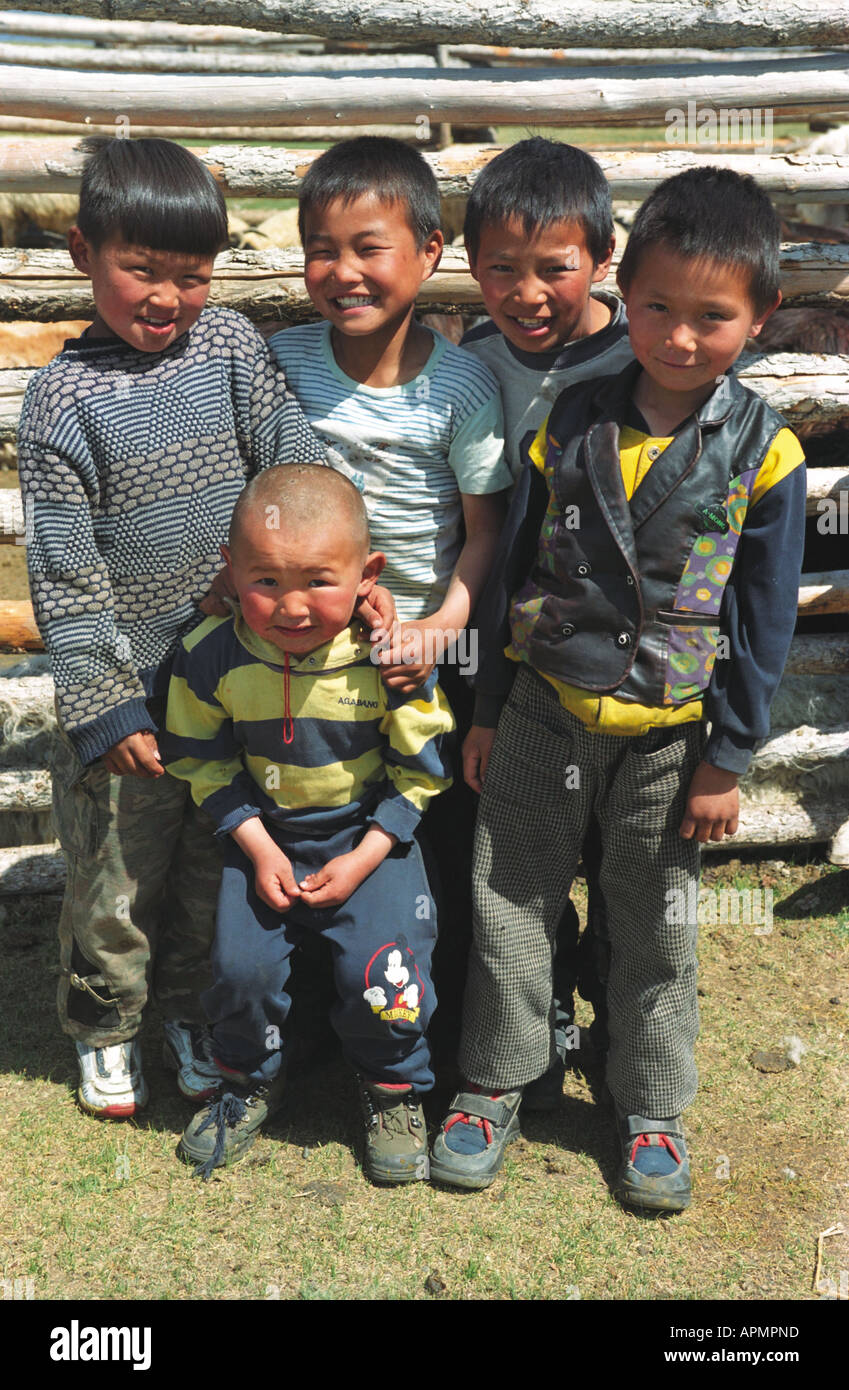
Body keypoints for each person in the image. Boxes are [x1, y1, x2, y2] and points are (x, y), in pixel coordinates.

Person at [430, 167, 807, 1211]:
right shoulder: (574, 413)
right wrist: (495, 706)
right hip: (546, 709)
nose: (679, 338)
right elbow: (513, 576)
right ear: (622, 291)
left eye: (712, 317)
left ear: (762, 316)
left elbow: (763, 619)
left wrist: (728, 756)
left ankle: (650, 1103)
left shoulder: (764, 452)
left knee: (656, 921)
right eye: (657, 309)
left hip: (669, 736)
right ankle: (495, 1082)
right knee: (511, 897)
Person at [16, 137, 327, 1119]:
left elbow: (294, 464)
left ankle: (189, 1012)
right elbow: (66, 573)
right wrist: (106, 708)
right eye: (141, 269)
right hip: (129, 705)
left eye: (191, 276)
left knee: (207, 871)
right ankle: (106, 1025)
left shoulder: (232, 348)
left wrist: (327, 571)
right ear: (82, 252)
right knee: (115, 883)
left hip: (228, 685)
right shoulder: (60, 403)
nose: (167, 297)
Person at [267, 136, 512, 1063]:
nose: (343, 272)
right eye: (322, 250)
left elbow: (482, 526)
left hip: (417, 659)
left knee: (427, 836)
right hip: (300, 653)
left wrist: (444, 626)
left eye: (369, 248)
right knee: (311, 823)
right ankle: (310, 1028)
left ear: (428, 254)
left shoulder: (461, 386)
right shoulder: (280, 363)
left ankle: (433, 1029)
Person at [164, 465, 454, 1183]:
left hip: (373, 839)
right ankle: (248, 1079)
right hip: (261, 837)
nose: (291, 607)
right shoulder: (208, 656)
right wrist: (257, 848)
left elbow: (421, 769)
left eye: (319, 581)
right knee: (240, 971)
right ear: (230, 572)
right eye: (265, 581)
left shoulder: (391, 660)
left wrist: (364, 856)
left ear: (368, 574)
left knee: (387, 975)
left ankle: (392, 1091)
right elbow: (200, 762)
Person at [462, 138, 636, 1103]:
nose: (525, 292)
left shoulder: (639, 355)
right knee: (515, 864)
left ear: (601, 260)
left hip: (621, 663)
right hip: (504, 653)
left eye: (552, 269)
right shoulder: (472, 361)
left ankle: (620, 1052)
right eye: (500, 269)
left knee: (618, 865)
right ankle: (532, 1029)